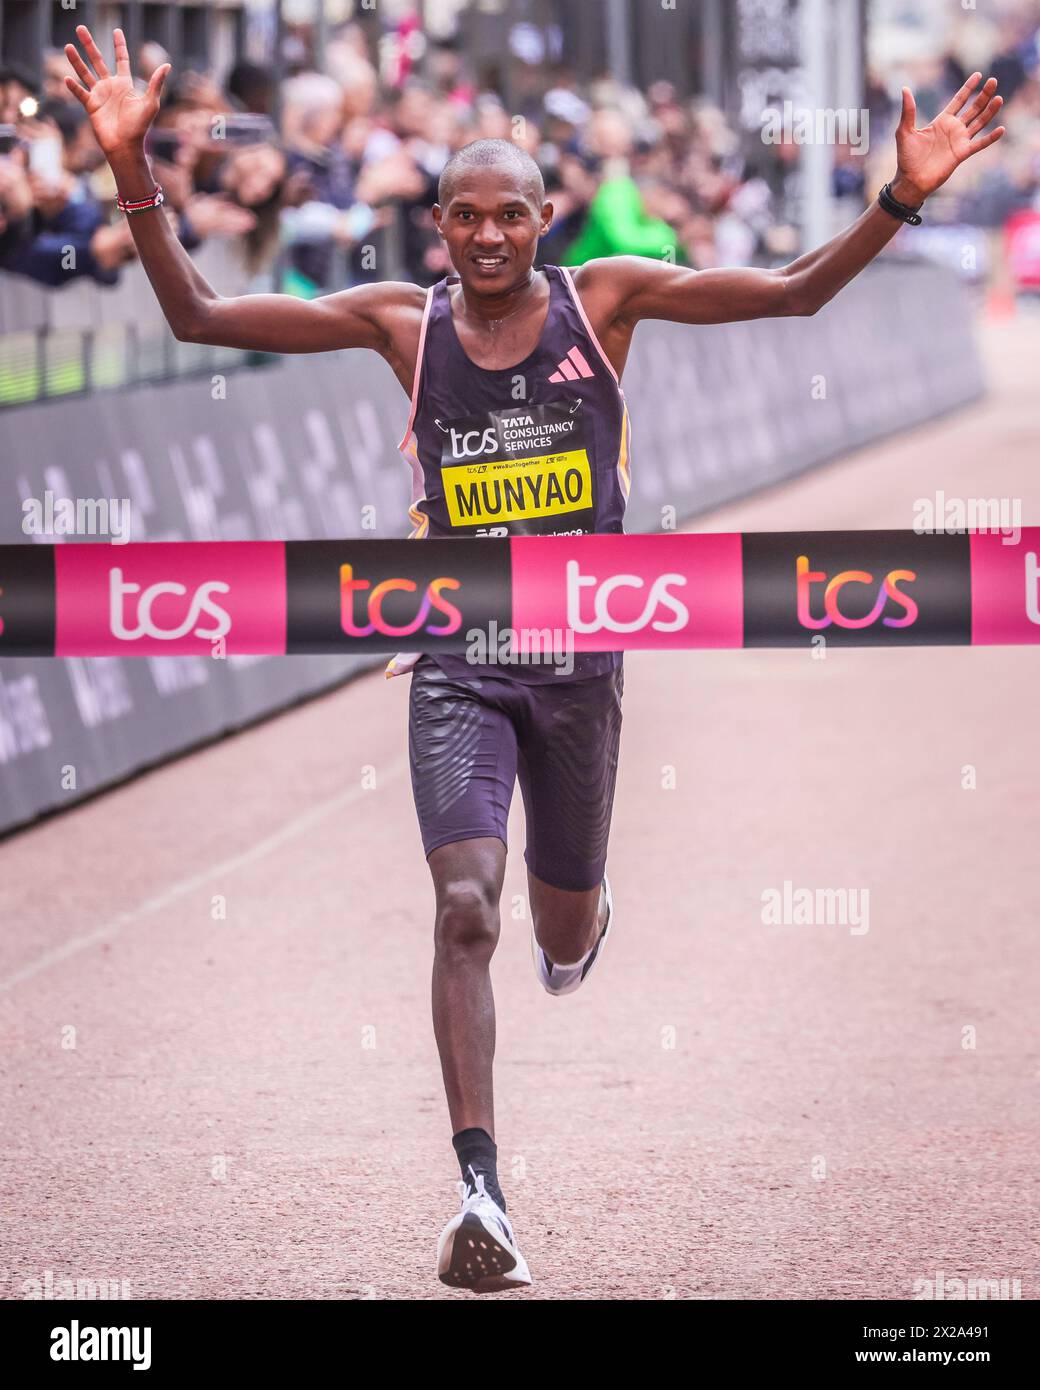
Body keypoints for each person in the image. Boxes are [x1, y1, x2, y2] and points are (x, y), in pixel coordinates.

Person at [63, 24, 1005, 1293]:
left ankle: (585, 915)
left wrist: (899, 194)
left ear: (545, 217)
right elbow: (199, 313)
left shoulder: (604, 299)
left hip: (579, 671)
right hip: (455, 657)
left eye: (512, 216)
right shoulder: (402, 325)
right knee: (464, 911)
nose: (490, 238)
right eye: (465, 219)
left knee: (557, 928)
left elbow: (790, 290)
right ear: (437, 227)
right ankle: (480, 1191)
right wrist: (132, 170)